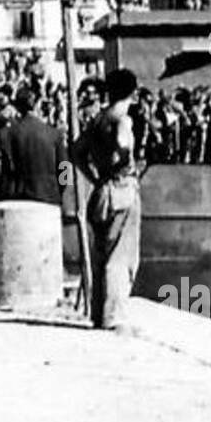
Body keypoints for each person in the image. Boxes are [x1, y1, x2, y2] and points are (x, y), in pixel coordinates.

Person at [72, 68, 143, 329]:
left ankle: (98, 314)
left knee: (101, 253)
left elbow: (76, 151)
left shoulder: (98, 120)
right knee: (121, 257)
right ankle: (114, 317)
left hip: (101, 191)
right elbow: (123, 146)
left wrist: (94, 177)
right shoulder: (123, 120)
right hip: (122, 189)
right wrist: (121, 161)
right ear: (133, 92)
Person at [0, 83, 68, 207]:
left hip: (23, 199)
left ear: (17, 107)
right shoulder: (54, 133)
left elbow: (7, 170)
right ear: (37, 105)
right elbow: (64, 167)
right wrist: (60, 190)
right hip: (51, 197)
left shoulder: (11, 134)